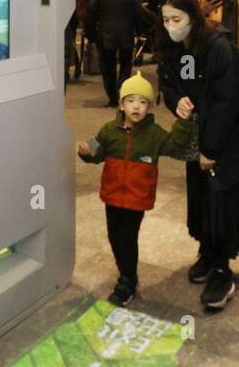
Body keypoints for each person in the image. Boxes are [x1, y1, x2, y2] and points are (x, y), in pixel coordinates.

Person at [156, 0, 239, 310]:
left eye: (175, 18)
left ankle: (223, 270)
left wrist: (211, 149)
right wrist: (178, 102)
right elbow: (172, 84)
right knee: (202, 196)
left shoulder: (218, 46)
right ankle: (208, 253)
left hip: (230, 135)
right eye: (165, 19)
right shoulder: (183, 47)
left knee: (222, 199)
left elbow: (226, 103)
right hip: (202, 131)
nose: (169, 26)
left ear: (193, 16)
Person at [77, 72, 195, 306]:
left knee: (127, 239)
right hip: (112, 196)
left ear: (149, 107)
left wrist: (183, 122)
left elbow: (175, 145)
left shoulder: (154, 134)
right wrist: (85, 152)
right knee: (114, 237)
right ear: (121, 103)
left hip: (136, 199)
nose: (136, 107)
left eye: (143, 102)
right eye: (131, 101)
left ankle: (127, 280)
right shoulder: (109, 130)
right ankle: (124, 270)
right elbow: (96, 152)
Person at [87, 0, 151, 107]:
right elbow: (138, 11)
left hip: (106, 32)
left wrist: (97, 22)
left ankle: (112, 97)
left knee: (108, 66)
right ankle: (122, 90)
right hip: (126, 31)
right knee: (125, 64)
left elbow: (91, 7)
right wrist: (140, 30)